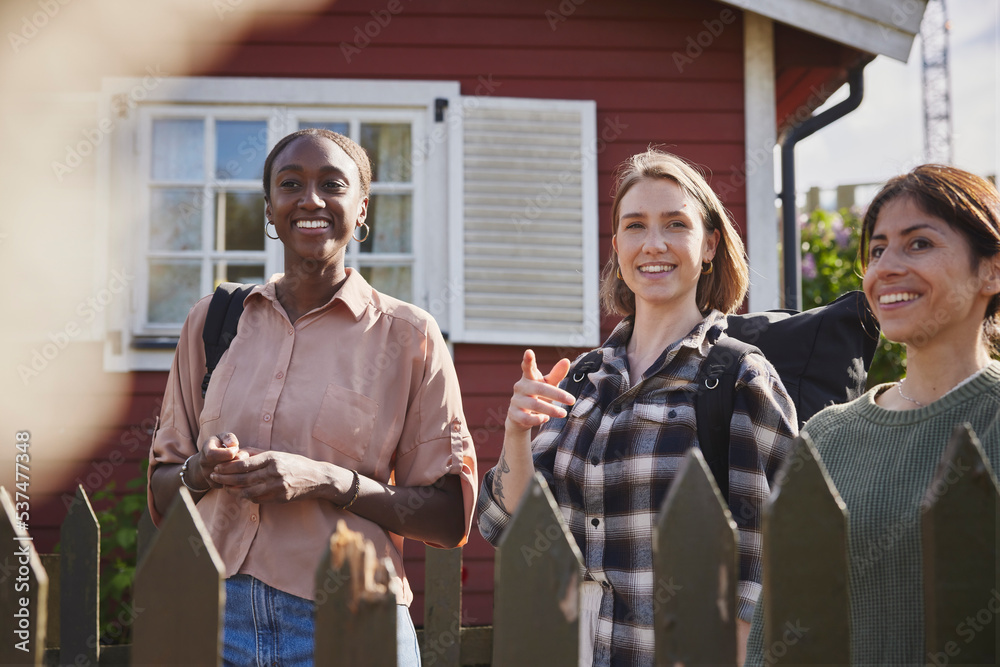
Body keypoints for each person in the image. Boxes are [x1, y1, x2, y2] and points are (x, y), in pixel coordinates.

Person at [147, 128, 478, 667]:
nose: (311, 200)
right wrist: (202, 472)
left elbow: (446, 518)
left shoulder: (409, 337)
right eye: (291, 184)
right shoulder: (213, 321)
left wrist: (327, 481)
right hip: (214, 621)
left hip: (349, 623)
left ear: (361, 207)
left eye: (332, 184)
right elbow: (162, 493)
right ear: (270, 209)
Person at [477, 148, 798, 667]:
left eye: (676, 224)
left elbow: (767, 565)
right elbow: (507, 527)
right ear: (617, 246)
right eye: (635, 226)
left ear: (709, 244)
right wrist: (516, 434)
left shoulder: (739, 377)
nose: (654, 244)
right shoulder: (583, 377)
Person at [744, 164, 1000, 666]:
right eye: (878, 250)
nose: (885, 268)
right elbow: (777, 635)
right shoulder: (827, 435)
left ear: (991, 269)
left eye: (919, 243)